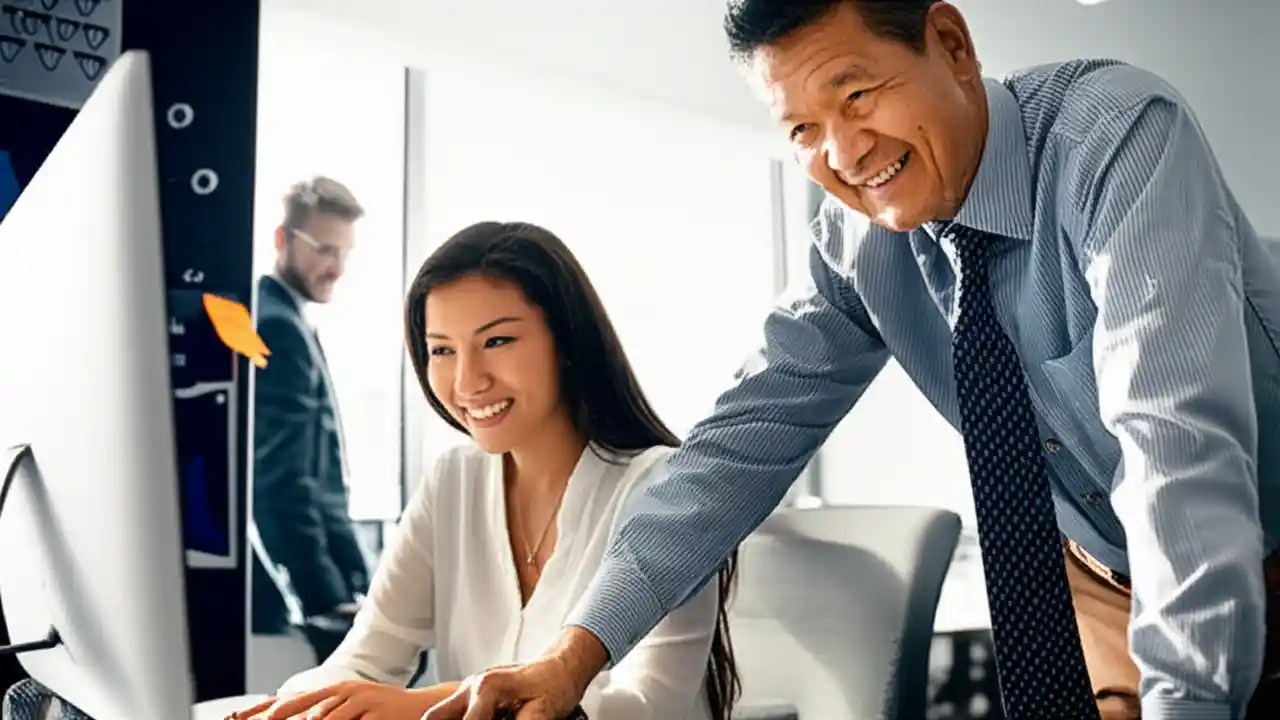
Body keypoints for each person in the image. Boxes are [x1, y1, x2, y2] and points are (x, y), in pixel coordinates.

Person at [423, 2, 1280, 720]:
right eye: (801, 128)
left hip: (1225, 530)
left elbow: (1176, 449)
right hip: (1105, 578)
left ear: (950, 44)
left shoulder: (1114, 138)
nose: (842, 153)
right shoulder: (857, 245)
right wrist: (571, 658)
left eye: (858, 94)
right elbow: (729, 455)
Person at [229, 221, 740, 720]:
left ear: (566, 343)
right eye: (443, 351)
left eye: (497, 342)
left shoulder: (664, 489)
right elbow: (365, 656)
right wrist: (292, 708)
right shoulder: (453, 482)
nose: (468, 380)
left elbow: (649, 707)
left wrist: (420, 705)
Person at [252, 176, 372, 663]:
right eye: (325, 249)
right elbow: (282, 480)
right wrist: (326, 599)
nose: (337, 268)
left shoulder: (284, 317)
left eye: (345, 253)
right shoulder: (277, 326)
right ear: (283, 240)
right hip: (321, 592)